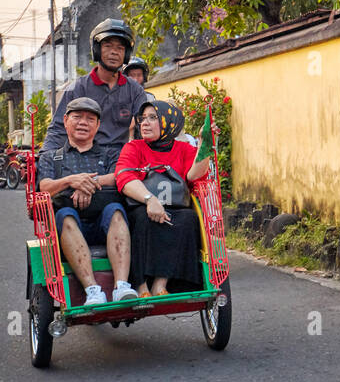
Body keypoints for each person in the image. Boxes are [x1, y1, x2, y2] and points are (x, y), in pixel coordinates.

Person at [35, 97, 137, 306]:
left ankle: (122, 286)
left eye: (90, 119)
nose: (83, 122)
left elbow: (119, 177)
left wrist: (87, 183)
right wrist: (72, 180)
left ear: (98, 125)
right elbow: (44, 186)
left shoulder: (110, 154)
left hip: (103, 223)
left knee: (116, 210)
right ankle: (92, 290)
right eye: (78, 117)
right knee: (64, 215)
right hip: (68, 227)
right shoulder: (50, 157)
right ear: (65, 120)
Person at [115, 100, 215, 297]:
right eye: (143, 119)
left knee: (188, 219)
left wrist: (205, 144)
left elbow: (194, 176)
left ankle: (161, 284)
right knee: (143, 219)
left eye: (153, 118)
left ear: (169, 122)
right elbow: (124, 177)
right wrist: (149, 199)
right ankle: (141, 285)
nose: (144, 123)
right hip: (141, 205)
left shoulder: (183, 149)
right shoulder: (134, 147)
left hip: (176, 206)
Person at [41, 19, 148, 153]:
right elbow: (58, 129)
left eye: (120, 48)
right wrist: (45, 157)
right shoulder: (78, 88)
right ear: (97, 50)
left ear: (126, 54)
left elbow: (146, 124)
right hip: (83, 158)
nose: (114, 52)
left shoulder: (135, 90)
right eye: (108, 46)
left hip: (120, 160)